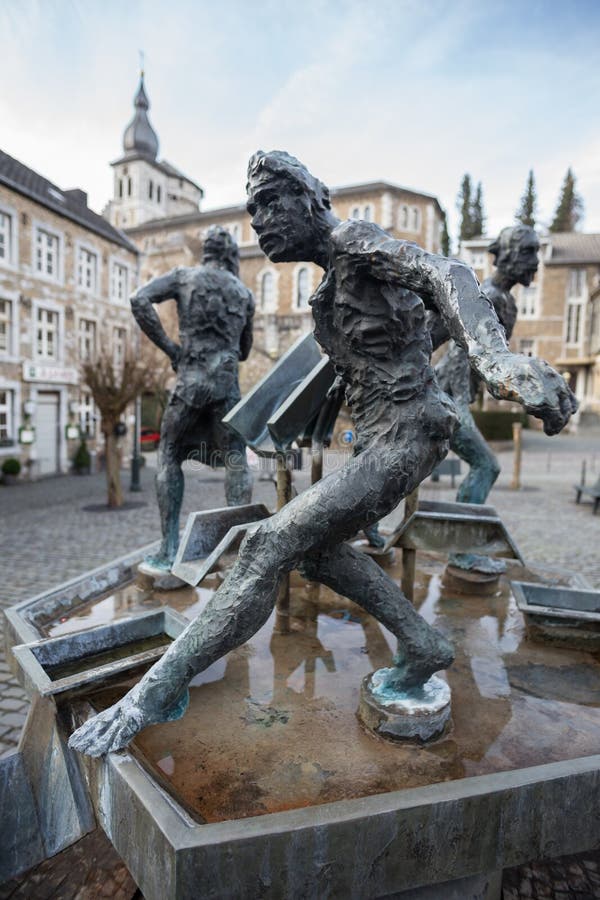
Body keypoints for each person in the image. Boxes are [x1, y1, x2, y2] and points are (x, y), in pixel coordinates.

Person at [70, 152, 575, 756]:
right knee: (314, 551)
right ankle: (421, 643)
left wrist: (495, 359)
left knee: (266, 544)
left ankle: (153, 694)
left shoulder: (356, 241)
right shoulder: (330, 286)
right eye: (251, 208)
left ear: (310, 201)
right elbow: (386, 351)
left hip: (409, 430)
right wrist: (326, 433)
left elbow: (449, 276)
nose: (258, 220)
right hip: (378, 436)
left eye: (269, 203)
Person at [130, 225, 254, 570]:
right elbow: (244, 350)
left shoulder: (184, 276)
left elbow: (139, 300)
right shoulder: (243, 293)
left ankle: (168, 551)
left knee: (168, 454)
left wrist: (171, 348)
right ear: (231, 256)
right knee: (236, 460)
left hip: (191, 381)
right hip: (227, 385)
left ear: (206, 251)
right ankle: (237, 556)